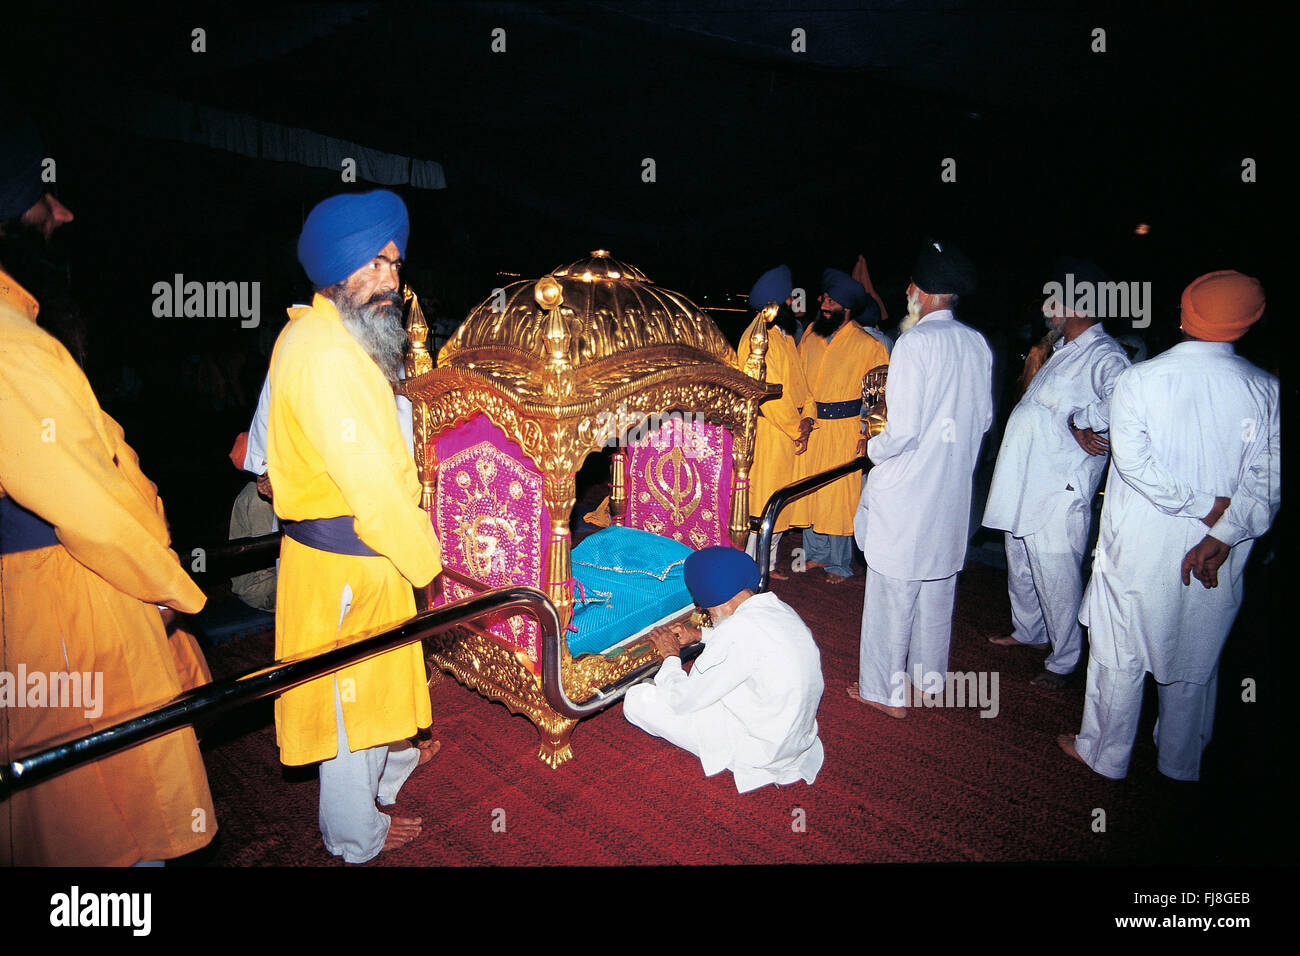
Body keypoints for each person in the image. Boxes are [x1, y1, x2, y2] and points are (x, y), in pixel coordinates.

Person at [0, 116, 217, 865]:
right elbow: (86, 504)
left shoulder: (18, 329)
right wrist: (170, 586)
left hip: (71, 595)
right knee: (108, 831)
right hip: (74, 607)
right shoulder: (10, 346)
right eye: (42, 197)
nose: (62, 213)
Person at [269, 189, 442, 862]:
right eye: (376, 264)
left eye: (396, 265)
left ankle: (389, 777)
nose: (392, 282)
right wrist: (432, 569)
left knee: (368, 691)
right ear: (339, 268)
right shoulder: (329, 356)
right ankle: (355, 836)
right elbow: (373, 489)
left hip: (362, 558)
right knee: (348, 709)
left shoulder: (321, 335)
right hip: (353, 560)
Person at [1059, 270, 1278, 781]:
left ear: (1183, 316)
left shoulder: (1141, 379)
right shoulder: (1267, 390)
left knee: (1119, 651)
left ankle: (1105, 753)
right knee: (1193, 651)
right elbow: (1270, 481)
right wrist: (1223, 532)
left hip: (1140, 543)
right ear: (1248, 326)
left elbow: (1135, 465)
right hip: (1217, 552)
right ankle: (1180, 760)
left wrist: (1206, 508)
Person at [849, 240, 992, 717]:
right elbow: (985, 419)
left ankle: (883, 693)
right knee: (937, 589)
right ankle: (928, 684)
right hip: (951, 492)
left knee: (892, 594)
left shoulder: (916, 343)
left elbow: (903, 430)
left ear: (924, 293)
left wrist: (871, 448)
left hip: (908, 488)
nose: (908, 290)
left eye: (912, 284)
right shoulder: (976, 343)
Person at [982, 258, 1130, 688]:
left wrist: (1084, 419)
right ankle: (1029, 630)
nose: (1048, 305)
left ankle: (1065, 659)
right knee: (1021, 556)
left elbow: (1125, 398)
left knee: (1055, 569)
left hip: (1059, 484)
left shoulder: (1105, 354)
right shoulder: (1063, 349)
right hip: (1028, 479)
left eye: (1055, 298)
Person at [623, 546, 824, 792]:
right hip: (791, 734)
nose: (707, 614)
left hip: (760, 747)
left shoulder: (736, 634)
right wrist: (699, 634)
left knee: (637, 699)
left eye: (707, 610)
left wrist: (671, 657)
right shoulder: (777, 608)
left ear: (723, 604)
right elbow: (750, 646)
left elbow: (683, 700)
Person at [794, 268, 890, 583]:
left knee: (839, 495)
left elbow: (878, 397)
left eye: (831, 301)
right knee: (810, 490)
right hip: (811, 426)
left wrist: (868, 434)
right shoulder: (810, 333)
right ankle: (815, 555)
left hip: (846, 429)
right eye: (824, 297)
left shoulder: (868, 344)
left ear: (846, 308)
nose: (823, 303)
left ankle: (839, 564)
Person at [738, 265, 814, 579]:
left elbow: (801, 385)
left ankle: (766, 566)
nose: (792, 305)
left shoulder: (784, 338)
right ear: (773, 305)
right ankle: (748, 572)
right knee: (760, 503)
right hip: (771, 433)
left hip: (793, 432)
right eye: (786, 301)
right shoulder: (756, 339)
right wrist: (798, 428)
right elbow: (769, 395)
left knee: (781, 500)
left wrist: (809, 416)